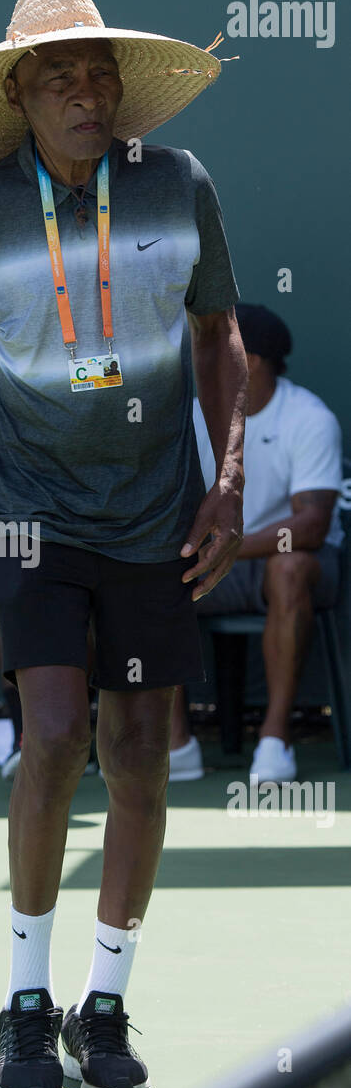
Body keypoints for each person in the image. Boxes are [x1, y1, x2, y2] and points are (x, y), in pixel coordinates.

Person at [0, 0, 246, 1088]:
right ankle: (24, 1004)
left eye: (99, 72)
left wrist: (226, 483)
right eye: (60, 75)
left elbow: (218, 337)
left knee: (143, 753)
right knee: (54, 730)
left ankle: (103, 1008)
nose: (86, 90)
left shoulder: (180, 185)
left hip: (156, 513)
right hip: (28, 511)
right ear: (19, 94)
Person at [170, 303, 344, 783]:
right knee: (155, 576)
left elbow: (309, 525)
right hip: (213, 564)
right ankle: (175, 744)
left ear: (254, 361)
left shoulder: (308, 418)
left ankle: (274, 740)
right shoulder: (188, 413)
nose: (201, 355)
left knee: (289, 567)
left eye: (217, 346)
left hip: (290, 564)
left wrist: (224, 548)